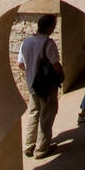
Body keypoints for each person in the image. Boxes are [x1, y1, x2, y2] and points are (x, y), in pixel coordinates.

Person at [18, 15, 64, 159]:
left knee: (33, 112)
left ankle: (29, 145)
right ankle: (41, 149)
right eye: (54, 25)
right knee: (47, 115)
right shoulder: (48, 43)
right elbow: (55, 65)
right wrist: (61, 75)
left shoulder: (26, 42)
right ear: (49, 27)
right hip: (46, 86)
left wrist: (32, 72)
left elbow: (20, 64)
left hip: (32, 85)